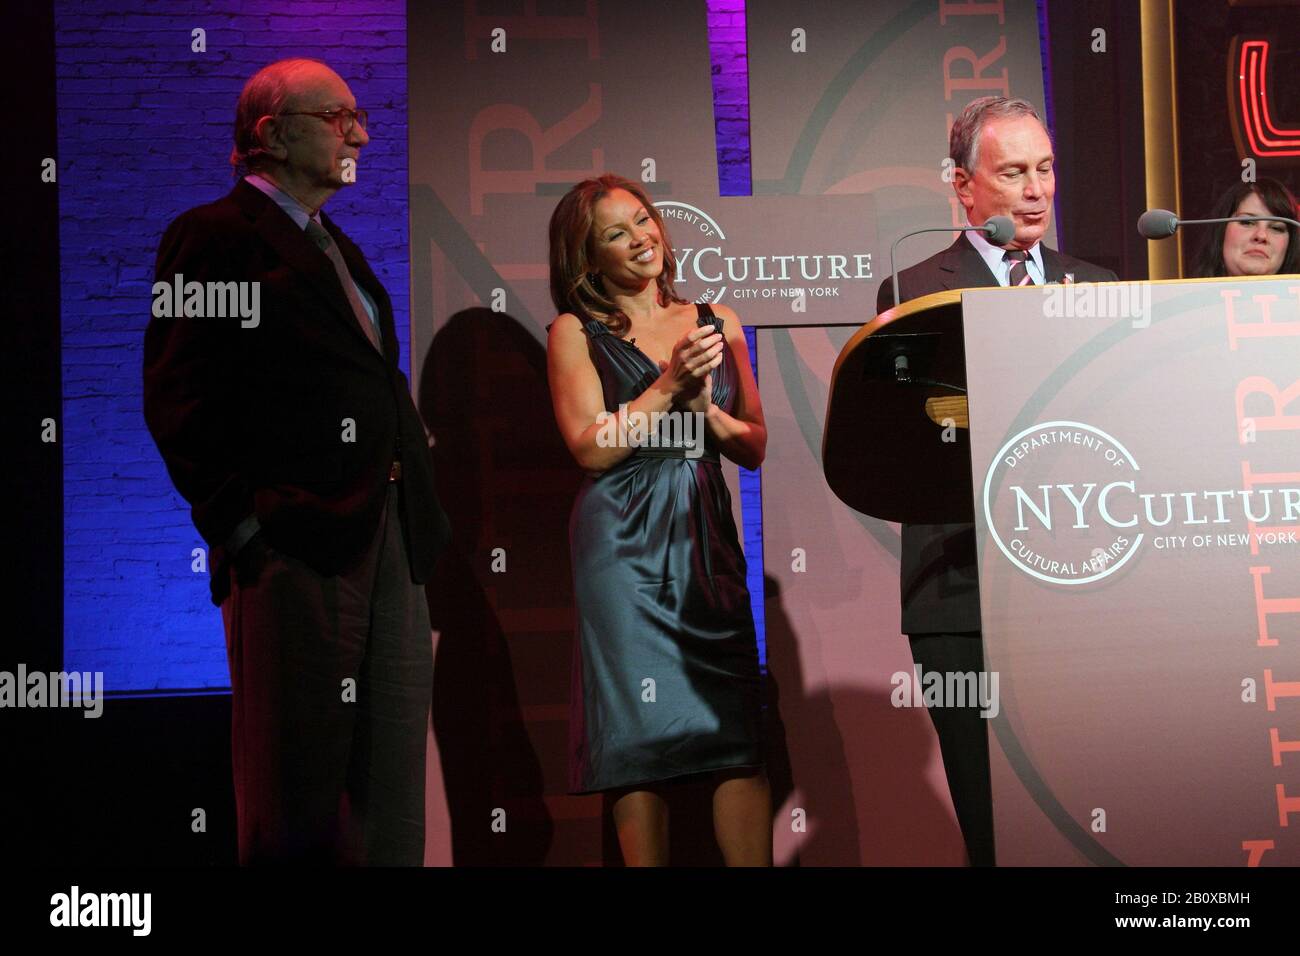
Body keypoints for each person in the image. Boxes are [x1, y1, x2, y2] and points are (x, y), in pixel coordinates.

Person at [143, 58, 450, 865]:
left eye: (358, 116)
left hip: (388, 542)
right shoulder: (211, 236)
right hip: (296, 549)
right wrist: (246, 527)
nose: (361, 133)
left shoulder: (335, 245)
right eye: (338, 116)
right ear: (270, 135)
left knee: (389, 810)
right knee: (295, 806)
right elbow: (179, 398)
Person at [876, 96, 1118, 867]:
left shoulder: (1097, 285)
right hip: (963, 588)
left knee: (1094, 814)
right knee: (996, 828)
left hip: (1087, 585)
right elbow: (906, 446)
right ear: (962, 185)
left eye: (1046, 169)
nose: (1037, 190)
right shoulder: (913, 290)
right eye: (1013, 172)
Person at [546, 174, 771, 866]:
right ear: (589, 260)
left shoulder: (717, 320)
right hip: (622, 548)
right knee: (638, 741)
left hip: (705, 538)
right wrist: (667, 387)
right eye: (617, 233)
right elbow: (590, 446)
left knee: (735, 733)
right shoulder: (573, 332)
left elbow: (755, 447)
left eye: (642, 220)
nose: (641, 238)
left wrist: (702, 409)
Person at [1192, 176, 1299, 277]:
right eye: (1247, 222)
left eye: (1276, 228)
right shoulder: (1188, 296)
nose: (1261, 236)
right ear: (1222, 232)